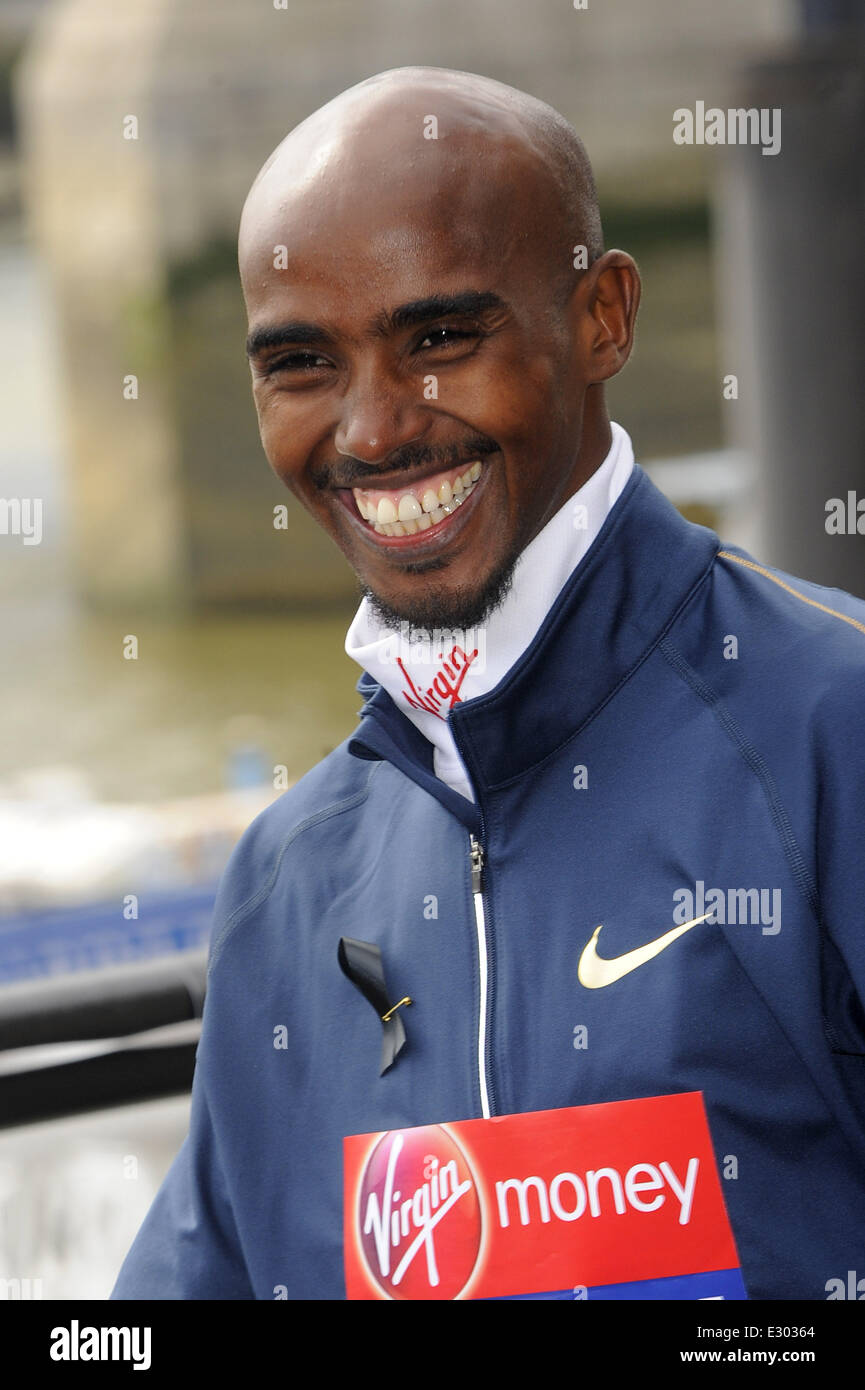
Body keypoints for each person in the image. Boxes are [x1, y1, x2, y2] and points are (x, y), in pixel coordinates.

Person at [112, 67, 865, 1301]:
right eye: (300, 362)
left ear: (603, 318)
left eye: (440, 338)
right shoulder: (286, 881)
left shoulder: (830, 732)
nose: (369, 430)